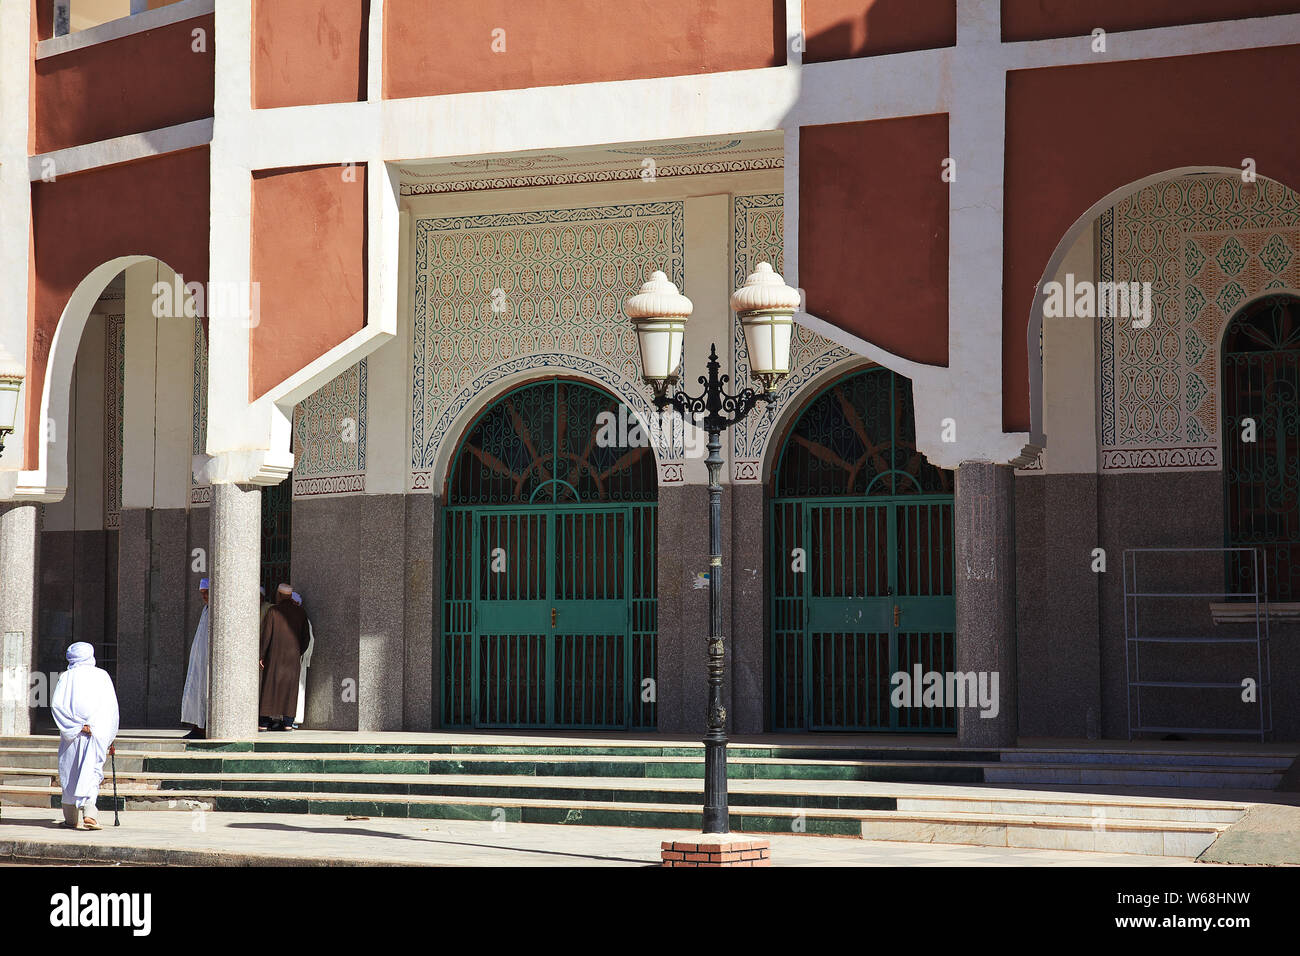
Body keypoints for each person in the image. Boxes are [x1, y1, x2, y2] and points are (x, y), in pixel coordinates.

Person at [51, 643, 120, 831]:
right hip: (96, 732)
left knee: (70, 770)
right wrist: (104, 729)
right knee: (91, 770)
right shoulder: (102, 676)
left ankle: (70, 817)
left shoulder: (65, 677)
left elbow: (57, 706)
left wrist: (77, 725)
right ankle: (89, 813)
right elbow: (110, 708)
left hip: (73, 733)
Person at [259, 583, 310, 731]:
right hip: (292, 660)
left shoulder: (273, 611)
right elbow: (306, 638)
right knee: (290, 690)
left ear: (279, 595)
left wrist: (261, 655)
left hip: (274, 658)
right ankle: (288, 722)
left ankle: (264, 722)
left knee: (270, 688)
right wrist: (297, 652)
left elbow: (266, 635)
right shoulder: (301, 613)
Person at [179, 578, 210, 739]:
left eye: (206, 592)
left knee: (204, 694)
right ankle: (197, 727)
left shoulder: (214, 610)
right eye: (202, 593)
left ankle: (203, 728)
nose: (204, 596)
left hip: (207, 662)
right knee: (195, 693)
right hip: (199, 659)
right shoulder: (206, 610)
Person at [292, 591, 315, 729]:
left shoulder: (303, 619)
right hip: (289, 661)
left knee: (298, 689)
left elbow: (309, 640)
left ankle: (295, 718)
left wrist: (302, 656)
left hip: (298, 660)